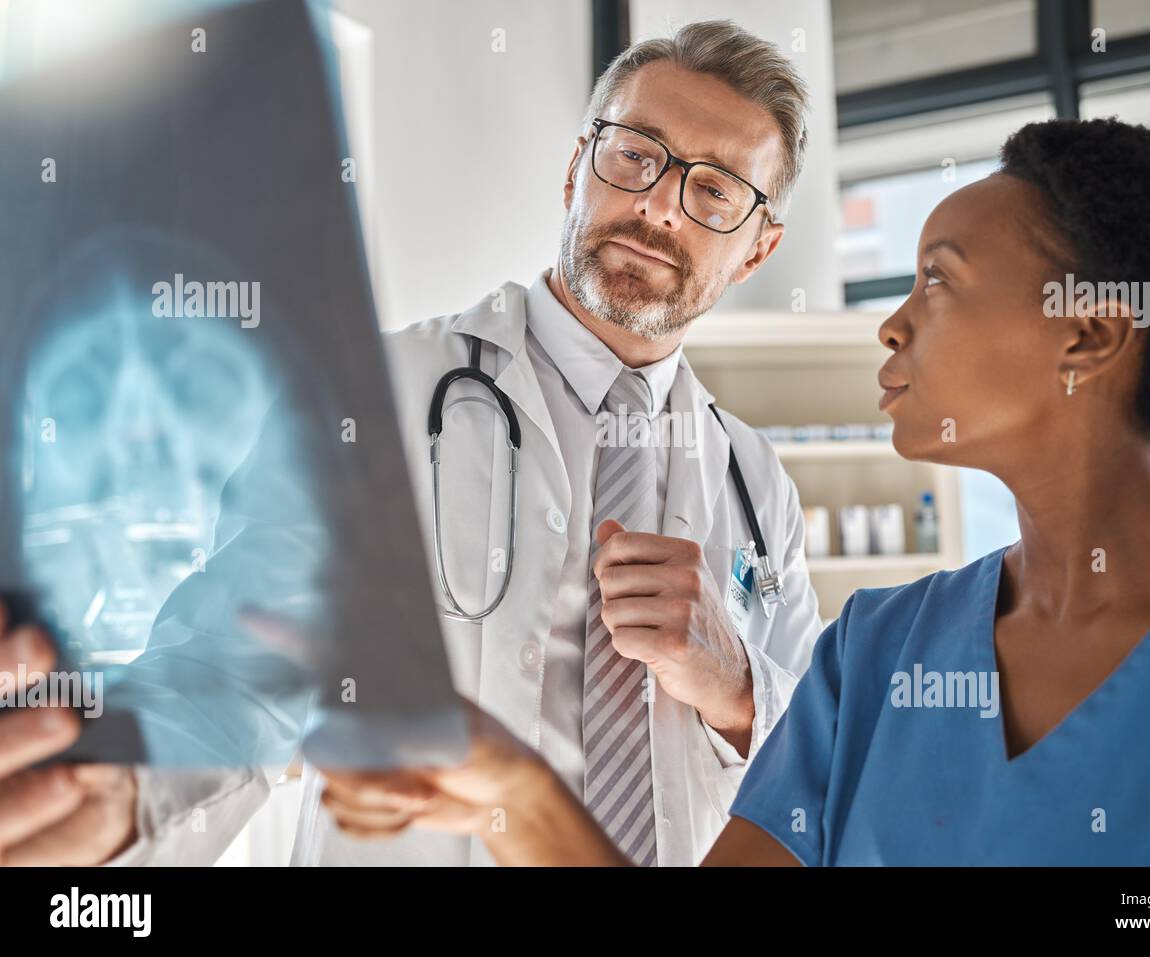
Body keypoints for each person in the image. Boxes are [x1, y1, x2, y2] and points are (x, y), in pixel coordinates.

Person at [323, 117, 1150, 866]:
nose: (891, 326)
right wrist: (517, 793)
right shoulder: (875, 653)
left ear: (1085, 334)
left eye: (938, 282)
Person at [0, 19, 825, 867]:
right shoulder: (377, 393)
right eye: (635, 153)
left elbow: (825, 759)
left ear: (759, 248)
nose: (656, 202)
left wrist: (736, 688)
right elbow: (241, 655)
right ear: (578, 165)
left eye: (715, 189)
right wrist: (131, 783)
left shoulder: (757, 485)